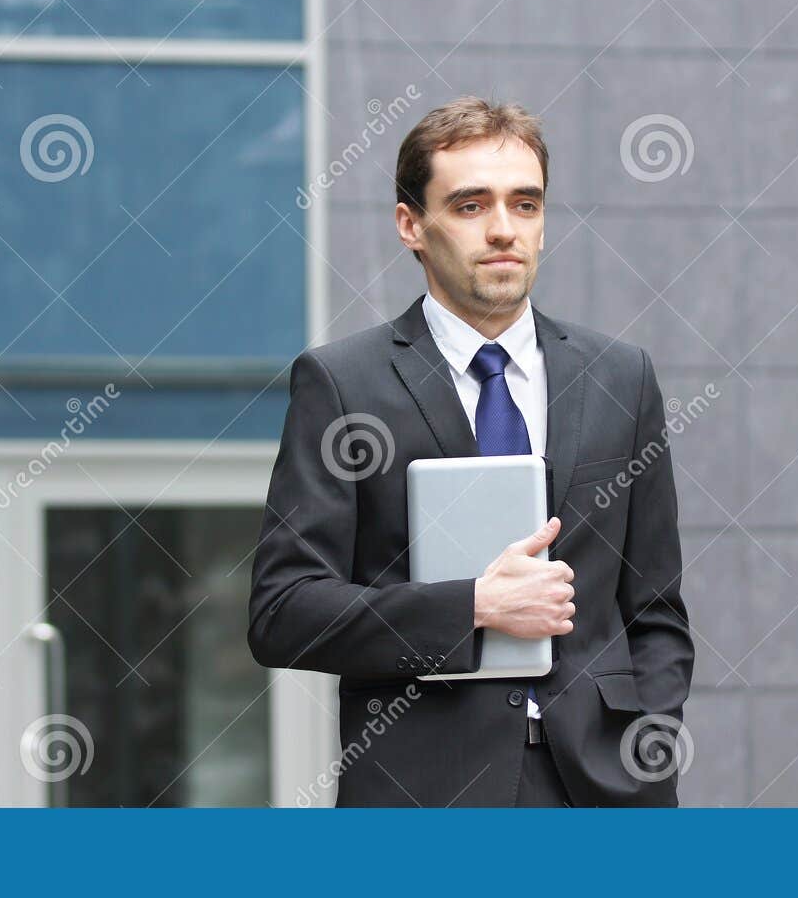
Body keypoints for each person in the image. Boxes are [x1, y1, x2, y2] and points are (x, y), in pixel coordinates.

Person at [248, 96, 693, 806]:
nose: (502, 230)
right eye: (469, 206)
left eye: (525, 204)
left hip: (603, 796)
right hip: (424, 793)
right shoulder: (342, 385)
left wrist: (649, 745)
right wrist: (474, 605)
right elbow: (284, 611)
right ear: (411, 226)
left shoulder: (622, 376)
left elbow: (657, 610)